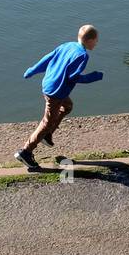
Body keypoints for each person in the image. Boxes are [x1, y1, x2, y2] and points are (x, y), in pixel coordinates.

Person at [14, 25, 103, 170]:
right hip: (56, 92)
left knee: (67, 106)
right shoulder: (83, 55)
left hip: (49, 84)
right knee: (46, 122)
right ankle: (25, 151)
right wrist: (94, 76)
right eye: (96, 41)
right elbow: (73, 77)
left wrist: (32, 70)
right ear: (90, 40)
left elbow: (47, 59)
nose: (96, 43)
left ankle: (47, 134)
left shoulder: (67, 45)